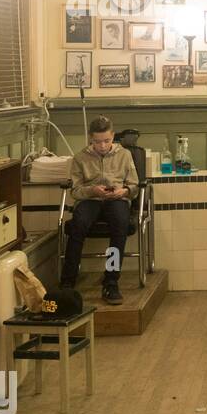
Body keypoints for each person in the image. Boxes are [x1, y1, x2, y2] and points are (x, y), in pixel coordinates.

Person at [62, 115, 138, 304]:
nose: (102, 146)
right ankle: (68, 281)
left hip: (116, 199)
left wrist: (124, 191)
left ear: (113, 137)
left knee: (120, 226)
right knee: (77, 225)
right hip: (91, 199)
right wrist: (92, 190)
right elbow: (75, 191)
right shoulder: (80, 158)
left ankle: (111, 281)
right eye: (97, 142)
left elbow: (135, 185)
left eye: (107, 141)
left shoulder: (124, 155)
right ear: (91, 139)